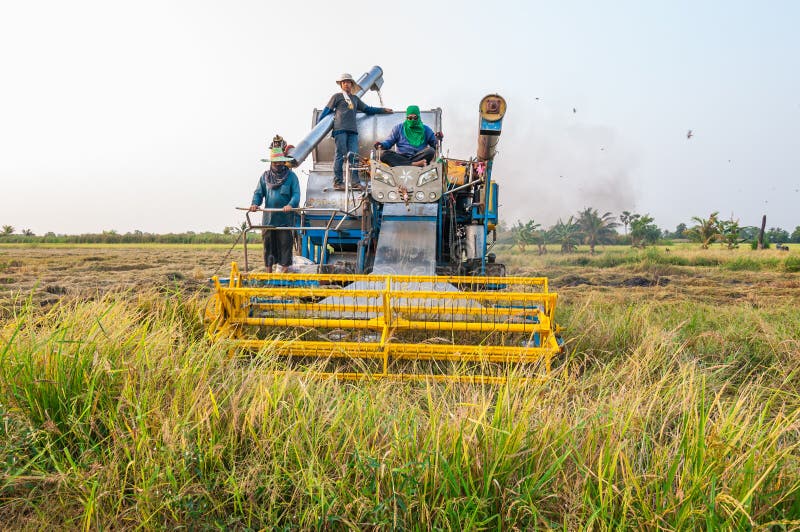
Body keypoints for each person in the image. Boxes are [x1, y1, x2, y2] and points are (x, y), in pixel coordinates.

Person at [318, 73, 392, 191]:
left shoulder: (355, 99)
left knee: (354, 156)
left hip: (352, 131)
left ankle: (355, 182)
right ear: (341, 85)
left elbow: (368, 109)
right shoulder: (337, 97)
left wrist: (382, 110)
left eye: (348, 82)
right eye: (344, 82)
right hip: (340, 130)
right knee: (340, 155)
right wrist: (318, 126)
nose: (346, 84)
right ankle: (338, 182)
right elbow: (326, 111)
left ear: (352, 84)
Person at [249, 143, 301, 273]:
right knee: (268, 245)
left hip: (285, 219)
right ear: (271, 163)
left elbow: (296, 194)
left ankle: (283, 273)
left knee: (285, 244)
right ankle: (268, 274)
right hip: (269, 219)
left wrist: (290, 205)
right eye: (275, 163)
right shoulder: (264, 177)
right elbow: (258, 193)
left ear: (284, 162)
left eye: (280, 162)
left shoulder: (291, 177)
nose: (278, 165)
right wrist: (255, 204)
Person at [374, 105, 443, 167]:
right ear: (406, 118)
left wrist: (438, 138)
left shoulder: (426, 129)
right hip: (401, 157)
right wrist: (382, 145)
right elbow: (389, 142)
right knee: (384, 155)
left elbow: (435, 145)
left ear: (419, 117)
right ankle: (414, 164)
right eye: (410, 118)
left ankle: (408, 164)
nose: (412, 120)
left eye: (415, 118)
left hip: (418, 157)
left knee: (431, 151)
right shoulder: (398, 128)